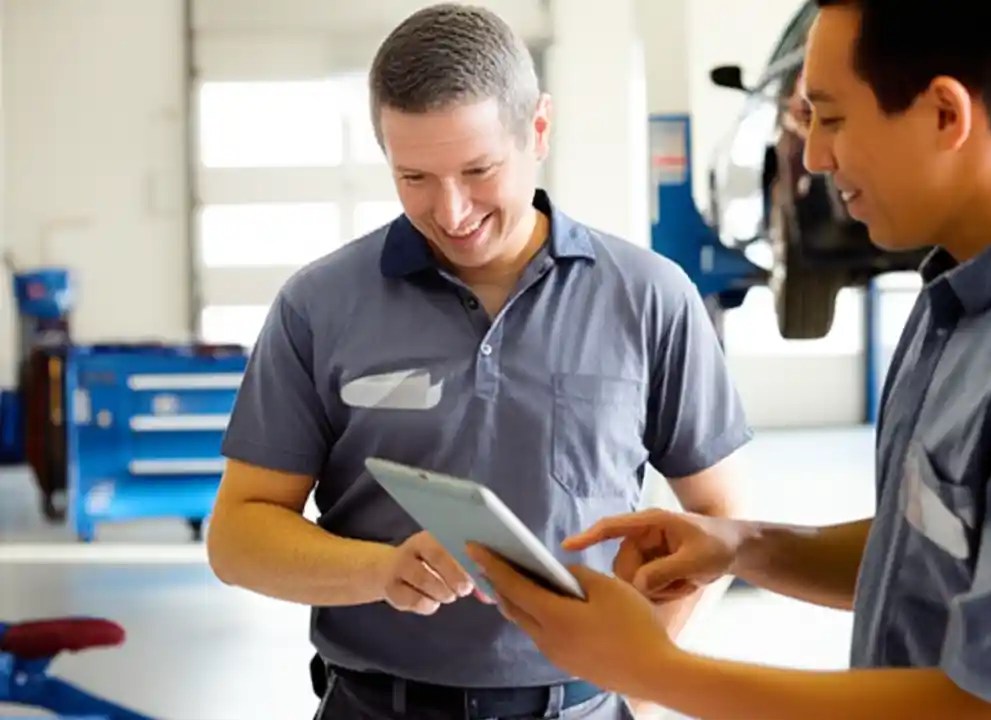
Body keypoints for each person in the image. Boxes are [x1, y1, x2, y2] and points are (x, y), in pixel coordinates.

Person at [468, 1, 991, 719]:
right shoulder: (966, 302)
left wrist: (652, 671)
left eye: (829, 118)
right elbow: (946, 546)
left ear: (945, 113)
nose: (816, 157)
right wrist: (747, 548)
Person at [204, 4, 752, 719]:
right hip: (373, 707)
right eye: (415, 178)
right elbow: (239, 535)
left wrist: (641, 687)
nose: (452, 211)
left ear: (540, 130)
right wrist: (381, 570)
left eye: (478, 169)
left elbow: (721, 515)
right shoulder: (318, 305)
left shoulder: (649, 298)